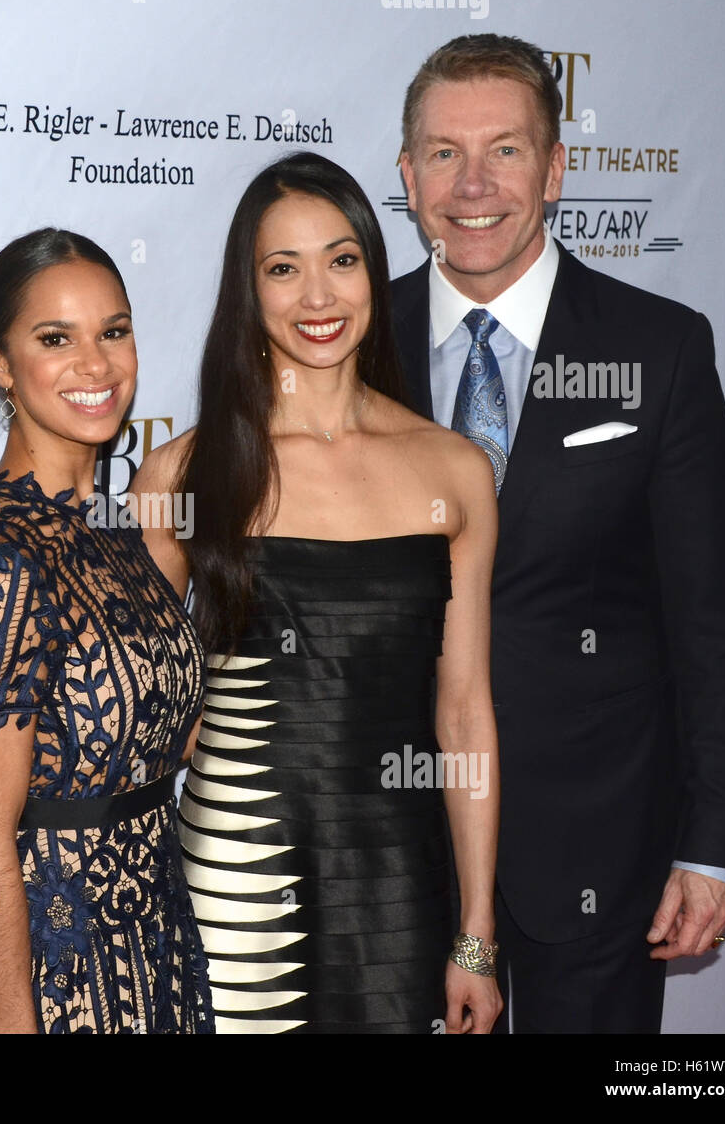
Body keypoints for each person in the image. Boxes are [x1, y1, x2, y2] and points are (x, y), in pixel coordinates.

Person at [392, 33, 725, 1033]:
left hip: (605, 846)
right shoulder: (349, 346)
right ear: (406, 173)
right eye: (442, 152)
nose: (473, 183)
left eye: (505, 150)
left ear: (555, 169)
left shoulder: (659, 348)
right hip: (395, 852)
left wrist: (713, 845)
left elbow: (714, 618)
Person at [133, 152, 502, 1034]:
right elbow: (139, 705)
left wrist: (477, 930)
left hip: (401, 882)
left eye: (341, 260)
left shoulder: (454, 469)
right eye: (282, 269)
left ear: (375, 268)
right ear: (247, 292)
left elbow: (463, 716)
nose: (318, 297)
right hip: (239, 873)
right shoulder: (182, 473)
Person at [0, 228, 213, 1033]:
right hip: (54, 979)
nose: (95, 366)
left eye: (113, 331)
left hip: (157, 949)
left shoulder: (122, 533)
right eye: (55, 339)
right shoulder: (3, 555)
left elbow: (166, 736)